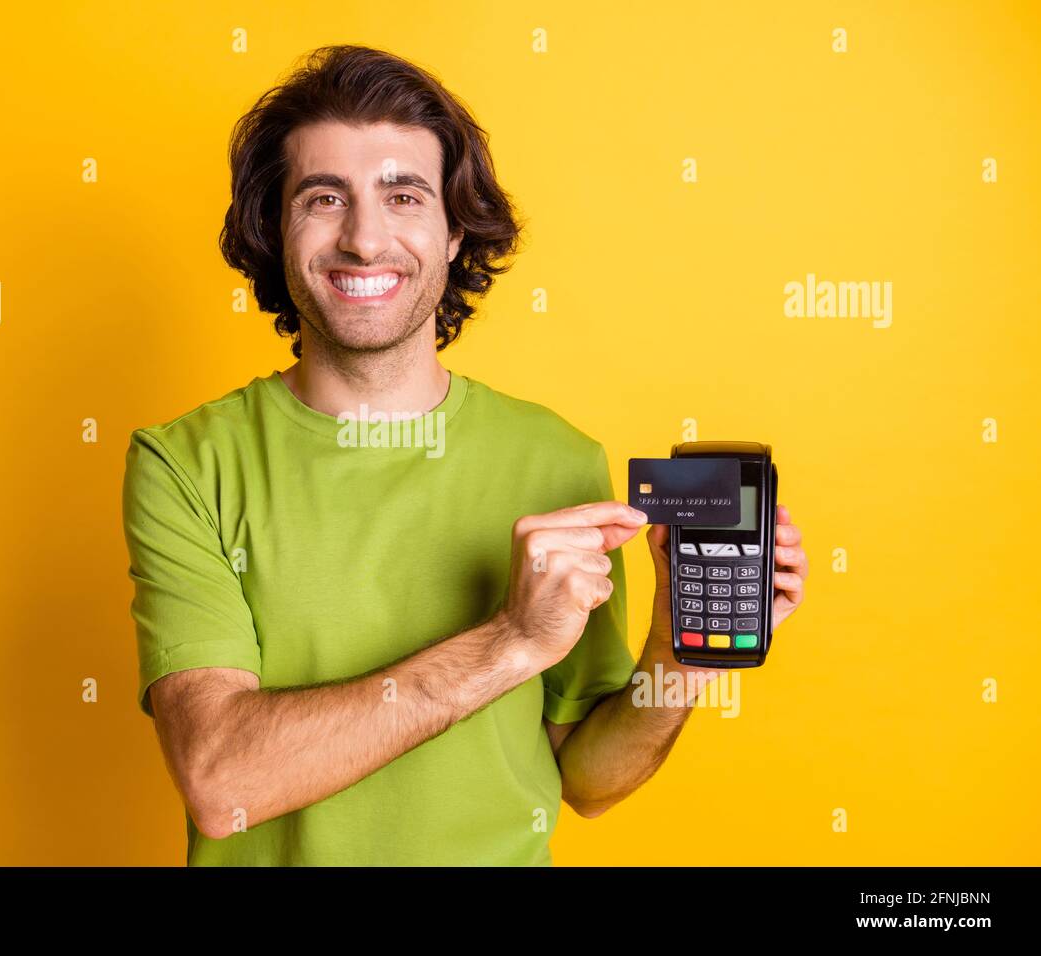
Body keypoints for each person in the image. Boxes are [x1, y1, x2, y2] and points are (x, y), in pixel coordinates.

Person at [121, 44, 808, 865]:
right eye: (323, 197)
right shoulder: (185, 464)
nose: (364, 240)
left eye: (403, 196)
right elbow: (223, 780)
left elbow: (585, 779)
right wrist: (509, 642)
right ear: (276, 228)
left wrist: (681, 649)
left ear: (454, 235)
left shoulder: (557, 459)